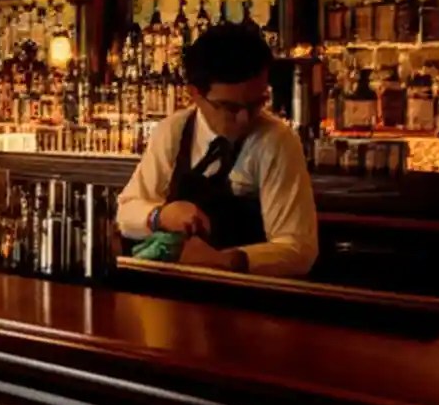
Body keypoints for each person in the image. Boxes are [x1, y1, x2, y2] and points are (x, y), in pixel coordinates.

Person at [116, 24, 318, 277]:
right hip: (175, 297)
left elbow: (299, 248)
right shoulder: (174, 131)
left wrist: (227, 261)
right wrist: (160, 215)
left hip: (249, 297)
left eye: (257, 103)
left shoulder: (276, 141)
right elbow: (125, 213)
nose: (245, 118)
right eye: (230, 108)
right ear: (195, 94)